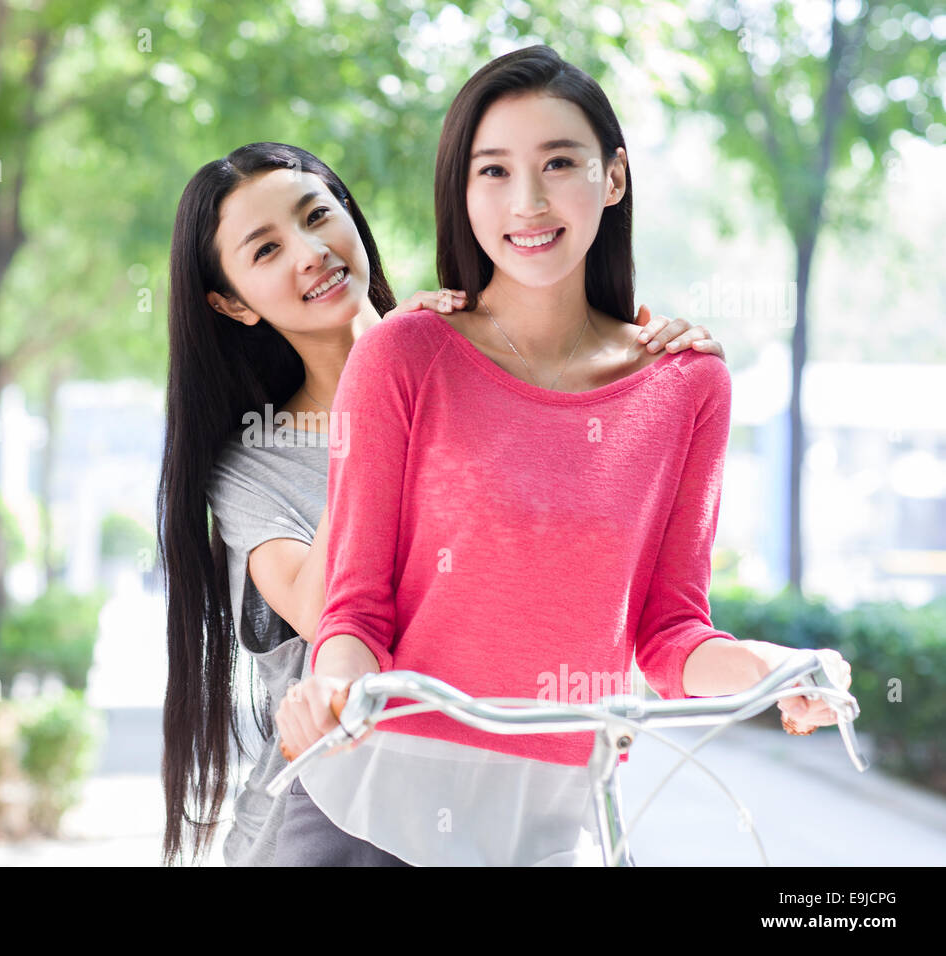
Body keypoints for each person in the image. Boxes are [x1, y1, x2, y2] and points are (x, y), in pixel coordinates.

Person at [274, 46, 853, 866]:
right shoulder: (405, 356)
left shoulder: (689, 384)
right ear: (462, 190)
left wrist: (781, 668)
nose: (529, 201)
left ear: (613, 177)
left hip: (548, 824)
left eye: (559, 163)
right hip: (366, 805)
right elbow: (356, 609)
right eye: (494, 172)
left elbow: (670, 636)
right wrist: (331, 689)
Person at [158, 139, 726, 866]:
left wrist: (651, 361)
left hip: (504, 811)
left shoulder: (464, 369)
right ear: (232, 302)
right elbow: (322, 608)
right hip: (330, 817)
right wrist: (378, 384)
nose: (309, 252)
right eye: (265, 251)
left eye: (316, 216)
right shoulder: (253, 465)